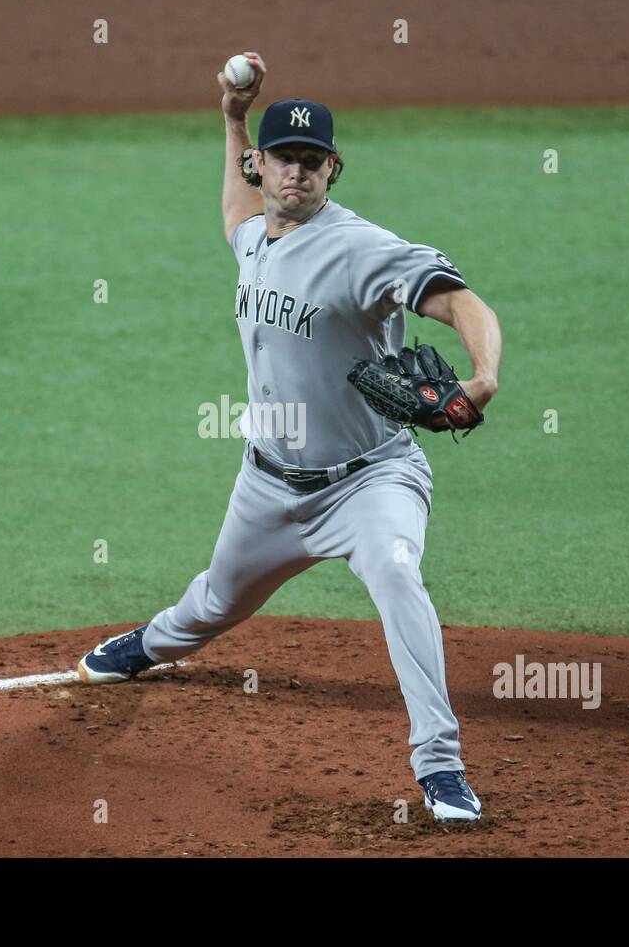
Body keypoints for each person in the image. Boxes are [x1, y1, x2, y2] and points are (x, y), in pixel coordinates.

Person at [77, 52, 502, 822]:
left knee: (398, 576)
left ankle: (440, 767)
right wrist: (234, 116)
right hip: (270, 484)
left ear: (333, 168)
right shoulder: (255, 237)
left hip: (372, 481)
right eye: (283, 160)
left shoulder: (362, 248)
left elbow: (461, 300)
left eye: (311, 161)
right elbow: (237, 216)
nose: (296, 174)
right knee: (212, 603)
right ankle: (155, 645)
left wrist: (484, 375)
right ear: (261, 165)